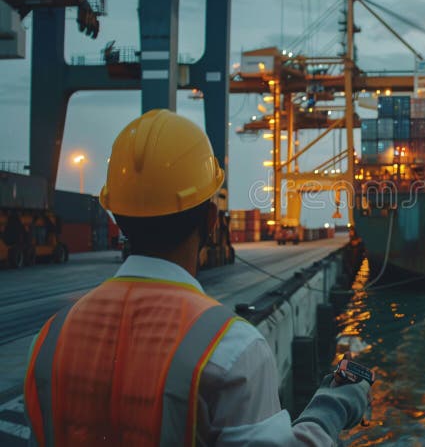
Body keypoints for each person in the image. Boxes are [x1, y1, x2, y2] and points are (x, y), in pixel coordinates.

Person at [24, 109, 370, 446]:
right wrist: (330, 410)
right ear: (210, 220)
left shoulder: (50, 339)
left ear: (116, 212)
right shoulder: (231, 349)